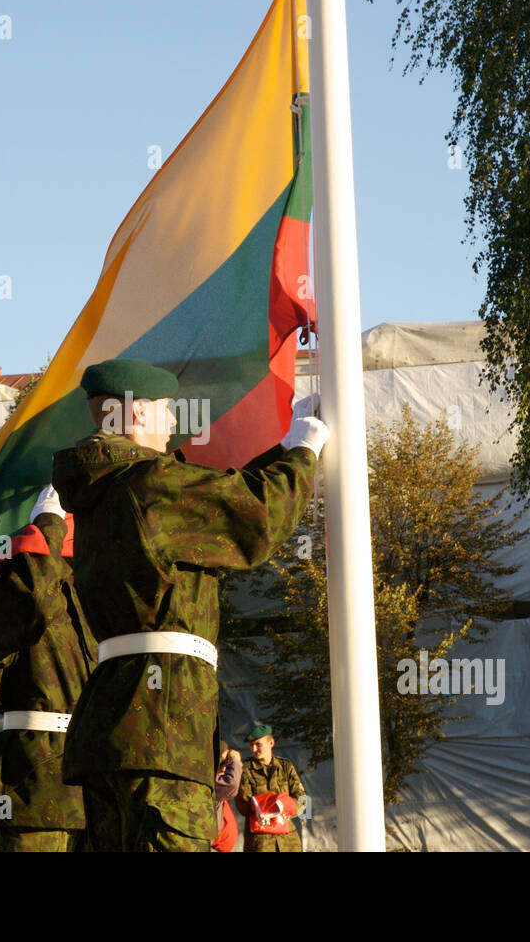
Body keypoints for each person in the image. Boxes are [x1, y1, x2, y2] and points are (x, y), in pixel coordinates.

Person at [53, 358, 327, 852]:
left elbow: (220, 497)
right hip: (162, 726)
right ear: (134, 415)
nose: (174, 421)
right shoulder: (146, 483)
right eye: (165, 408)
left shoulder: (103, 490)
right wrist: (304, 452)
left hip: (115, 725)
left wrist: (284, 448)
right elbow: (255, 517)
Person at [0, 485, 97, 851]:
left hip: (96, 783)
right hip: (36, 783)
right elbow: (35, 603)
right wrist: (47, 526)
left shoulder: (87, 578)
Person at [236, 724, 306, 852]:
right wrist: (275, 804)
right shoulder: (246, 769)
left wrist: (286, 807)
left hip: (288, 841)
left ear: (271, 743)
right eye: (251, 745)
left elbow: (302, 800)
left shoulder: (285, 766)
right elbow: (244, 806)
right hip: (260, 841)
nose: (253, 749)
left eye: (258, 744)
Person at [212, 742, 242, 852]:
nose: (225, 766)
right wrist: (235, 762)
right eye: (224, 762)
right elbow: (231, 784)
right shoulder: (208, 782)